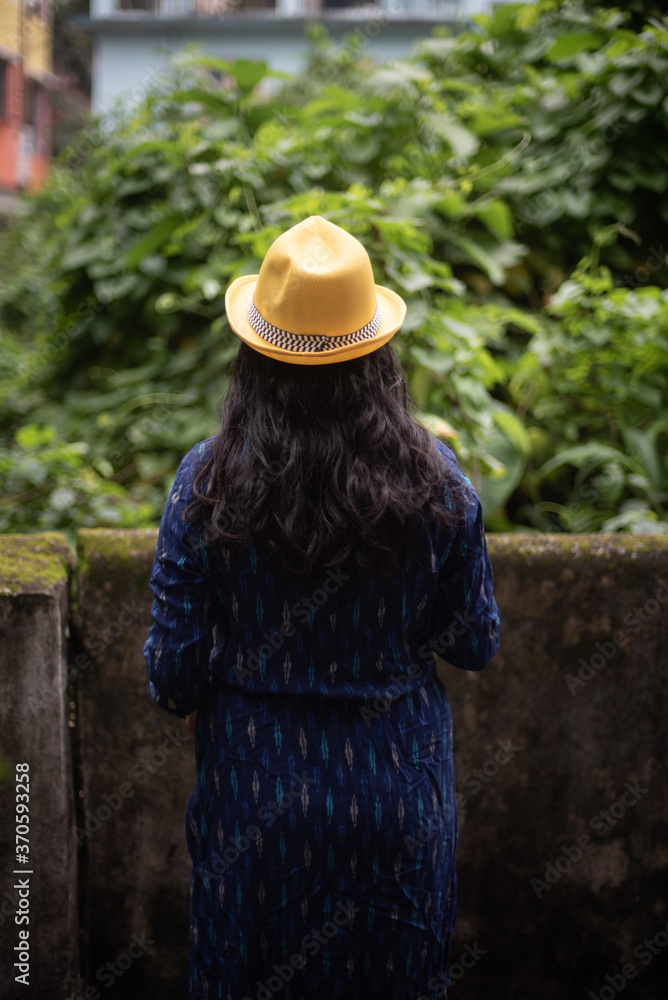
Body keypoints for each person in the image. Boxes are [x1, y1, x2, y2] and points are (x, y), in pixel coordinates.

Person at [143, 215, 500, 1000]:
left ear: (253, 356)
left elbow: (172, 678)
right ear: (379, 355)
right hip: (395, 799)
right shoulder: (440, 485)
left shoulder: (204, 483)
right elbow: (473, 641)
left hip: (255, 806)